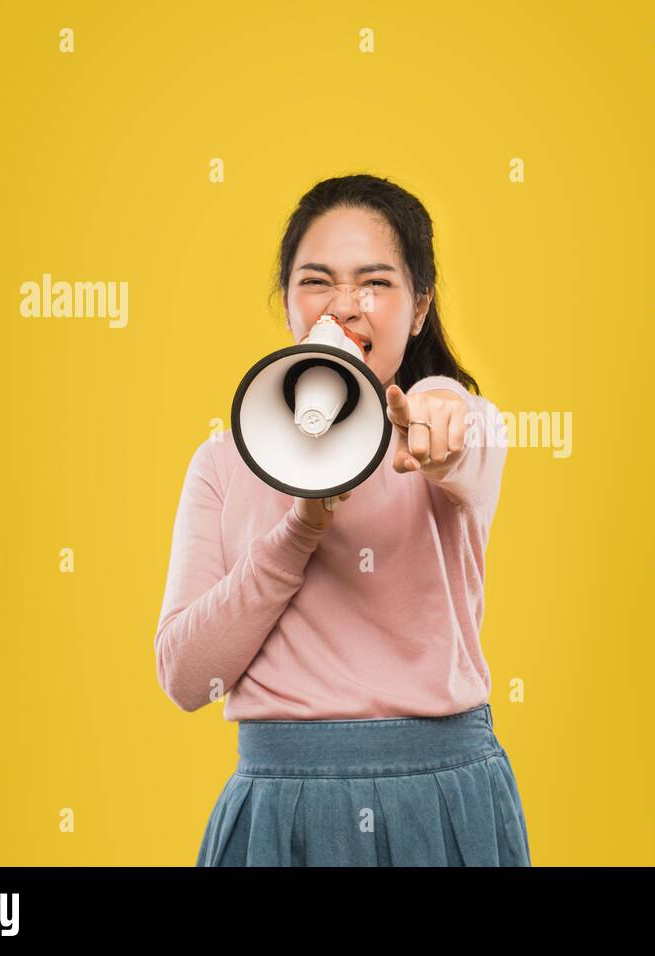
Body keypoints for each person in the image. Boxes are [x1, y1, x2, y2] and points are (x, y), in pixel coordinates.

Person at [154, 173, 530, 866]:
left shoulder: (451, 428)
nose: (345, 307)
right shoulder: (223, 462)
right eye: (318, 282)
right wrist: (300, 528)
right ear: (290, 303)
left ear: (419, 309)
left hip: (441, 803)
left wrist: (443, 406)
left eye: (375, 284)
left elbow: (458, 437)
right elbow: (185, 678)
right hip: (281, 809)